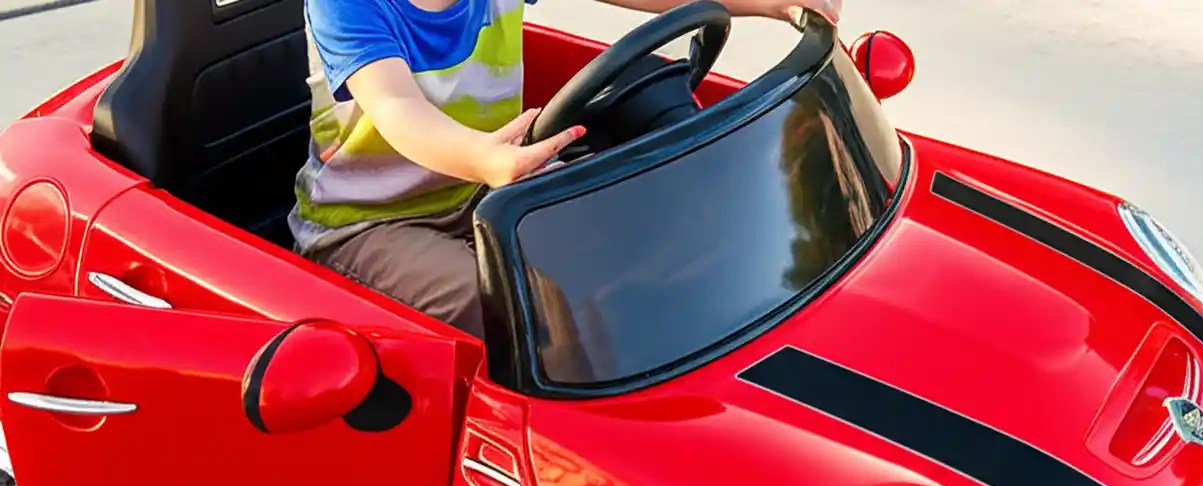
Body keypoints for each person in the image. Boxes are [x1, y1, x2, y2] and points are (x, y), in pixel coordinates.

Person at [289, 0, 842, 339]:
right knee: (509, 308)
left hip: (483, 190)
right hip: (367, 224)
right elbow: (397, 109)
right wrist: (484, 158)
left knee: (638, 226)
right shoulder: (348, 5)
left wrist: (761, 2)